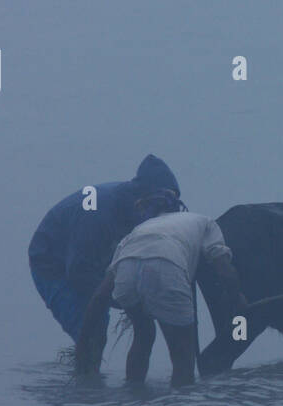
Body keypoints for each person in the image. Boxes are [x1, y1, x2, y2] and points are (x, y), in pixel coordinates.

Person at [76, 191, 248, 385]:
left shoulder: (137, 231)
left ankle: (133, 398)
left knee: (143, 335)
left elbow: (100, 296)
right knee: (182, 352)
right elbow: (223, 267)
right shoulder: (204, 222)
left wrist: (82, 342)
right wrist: (238, 299)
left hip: (127, 270)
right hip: (167, 265)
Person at [28, 155, 180, 344]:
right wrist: (127, 302)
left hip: (95, 260)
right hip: (53, 264)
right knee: (91, 331)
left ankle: (80, 367)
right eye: (160, 203)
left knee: (99, 325)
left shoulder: (140, 212)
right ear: (142, 197)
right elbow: (78, 272)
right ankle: (82, 371)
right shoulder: (98, 212)